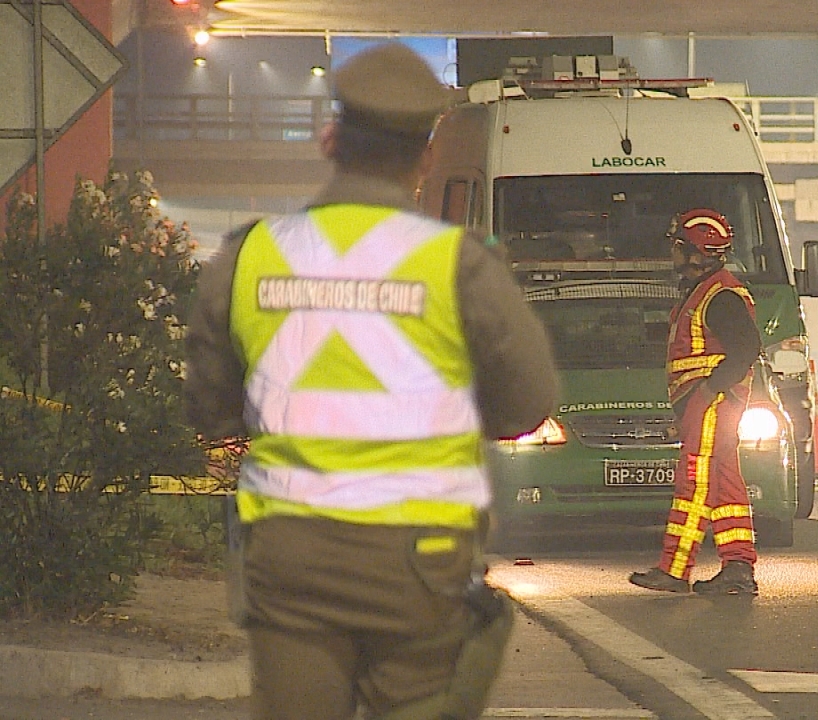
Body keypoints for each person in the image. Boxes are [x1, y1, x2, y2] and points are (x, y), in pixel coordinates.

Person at [183, 43, 559, 720]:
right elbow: (527, 405)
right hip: (420, 562)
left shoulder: (249, 257)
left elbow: (208, 410)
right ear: (425, 158)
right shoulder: (458, 266)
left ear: (330, 140)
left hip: (291, 556)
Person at [629, 209, 763, 596]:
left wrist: (706, 393)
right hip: (711, 402)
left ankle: (674, 569)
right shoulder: (707, 292)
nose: (673, 254)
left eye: (677, 247)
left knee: (694, 481)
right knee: (724, 484)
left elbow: (747, 348)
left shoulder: (720, 296)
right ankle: (738, 566)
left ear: (695, 253)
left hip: (712, 402)